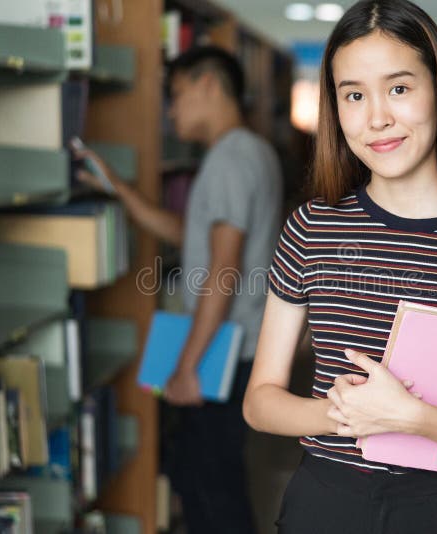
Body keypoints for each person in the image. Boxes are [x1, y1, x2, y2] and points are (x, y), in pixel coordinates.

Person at [242, 1, 437, 533]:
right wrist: (348, 415)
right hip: (323, 502)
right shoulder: (312, 227)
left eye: (399, 88)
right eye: (354, 95)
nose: (377, 119)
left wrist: (414, 419)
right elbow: (260, 402)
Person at [75, 46, 282, 534]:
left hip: (223, 354)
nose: (170, 111)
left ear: (209, 84)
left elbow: (222, 268)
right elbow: (191, 234)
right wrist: (121, 191)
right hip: (241, 346)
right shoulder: (253, 153)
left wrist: (187, 365)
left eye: (176, 95)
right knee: (207, 479)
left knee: (213, 491)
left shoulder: (230, 160)